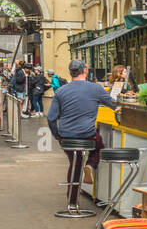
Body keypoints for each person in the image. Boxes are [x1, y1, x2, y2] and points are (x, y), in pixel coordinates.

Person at [47, 59, 117, 209]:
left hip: (66, 137)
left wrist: (57, 135)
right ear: (85, 71)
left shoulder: (61, 91)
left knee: (75, 162)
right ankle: (91, 165)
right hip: (87, 135)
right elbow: (114, 105)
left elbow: (51, 118)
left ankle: (72, 201)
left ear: (70, 73)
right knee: (99, 146)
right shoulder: (96, 89)